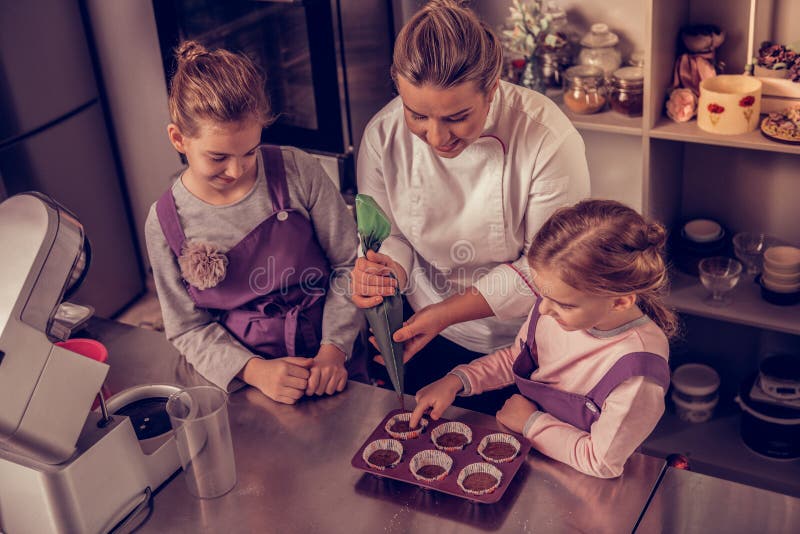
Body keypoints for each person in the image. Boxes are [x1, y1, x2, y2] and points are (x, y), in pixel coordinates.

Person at [351, 0, 591, 411]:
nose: (436, 136)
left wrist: (446, 312)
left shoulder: (548, 137)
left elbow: (548, 270)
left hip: (531, 339)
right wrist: (384, 269)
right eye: (417, 115)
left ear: (493, 88)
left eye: (457, 117)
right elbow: (390, 233)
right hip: (427, 330)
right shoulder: (381, 136)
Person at [145, 41, 362, 404]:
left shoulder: (297, 171)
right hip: (247, 384)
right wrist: (253, 370)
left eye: (249, 152)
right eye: (218, 157)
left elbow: (349, 264)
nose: (237, 170)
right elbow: (186, 327)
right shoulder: (167, 222)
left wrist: (334, 348)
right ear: (178, 139)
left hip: (334, 361)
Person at [409, 199, 677, 478]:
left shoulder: (637, 372)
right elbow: (516, 358)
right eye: (542, 293)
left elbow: (601, 461)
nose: (545, 309)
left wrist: (530, 423)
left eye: (565, 304)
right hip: (531, 456)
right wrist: (457, 380)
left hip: (581, 480)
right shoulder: (554, 306)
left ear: (620, 302)